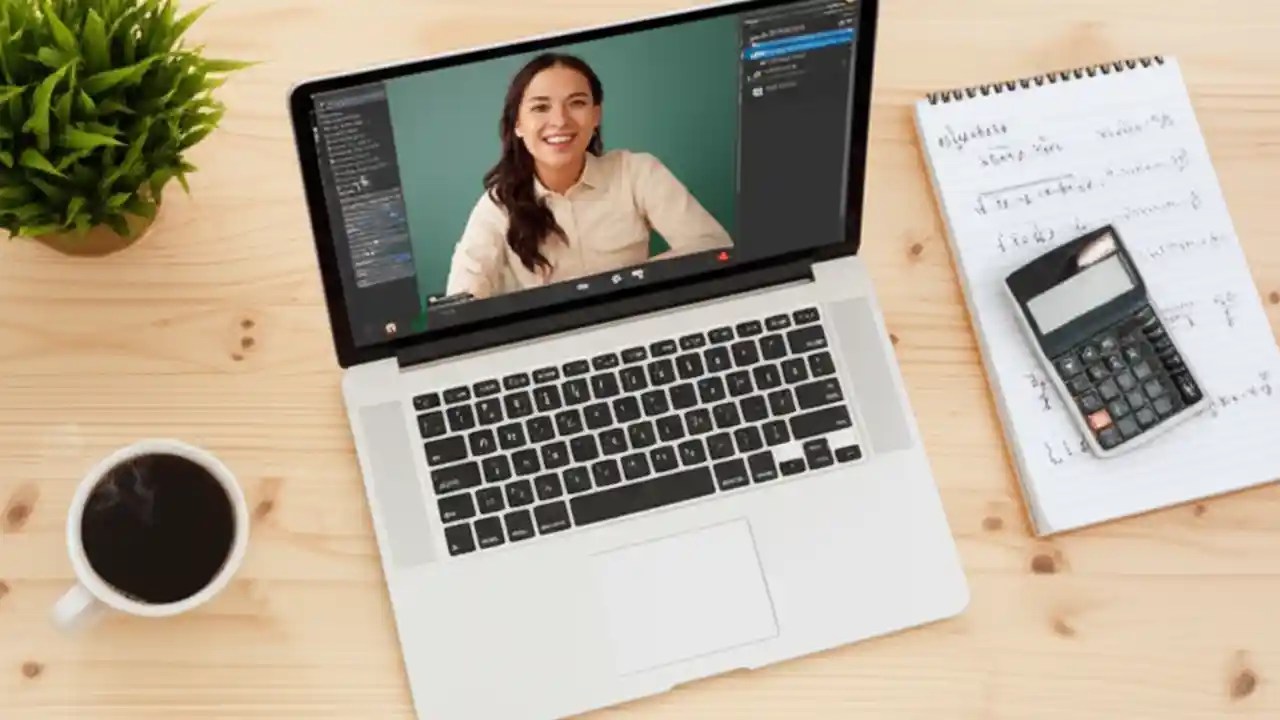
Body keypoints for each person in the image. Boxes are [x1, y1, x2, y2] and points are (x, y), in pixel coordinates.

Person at [445, 52, 733, 300]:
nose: (559, 121)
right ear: (517, 124)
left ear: (596, 116)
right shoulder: (498, 205)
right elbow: (460, 300)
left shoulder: (635, 171)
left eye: (577, 103)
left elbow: (713, 245)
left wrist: (623, 284)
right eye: (540, 107)